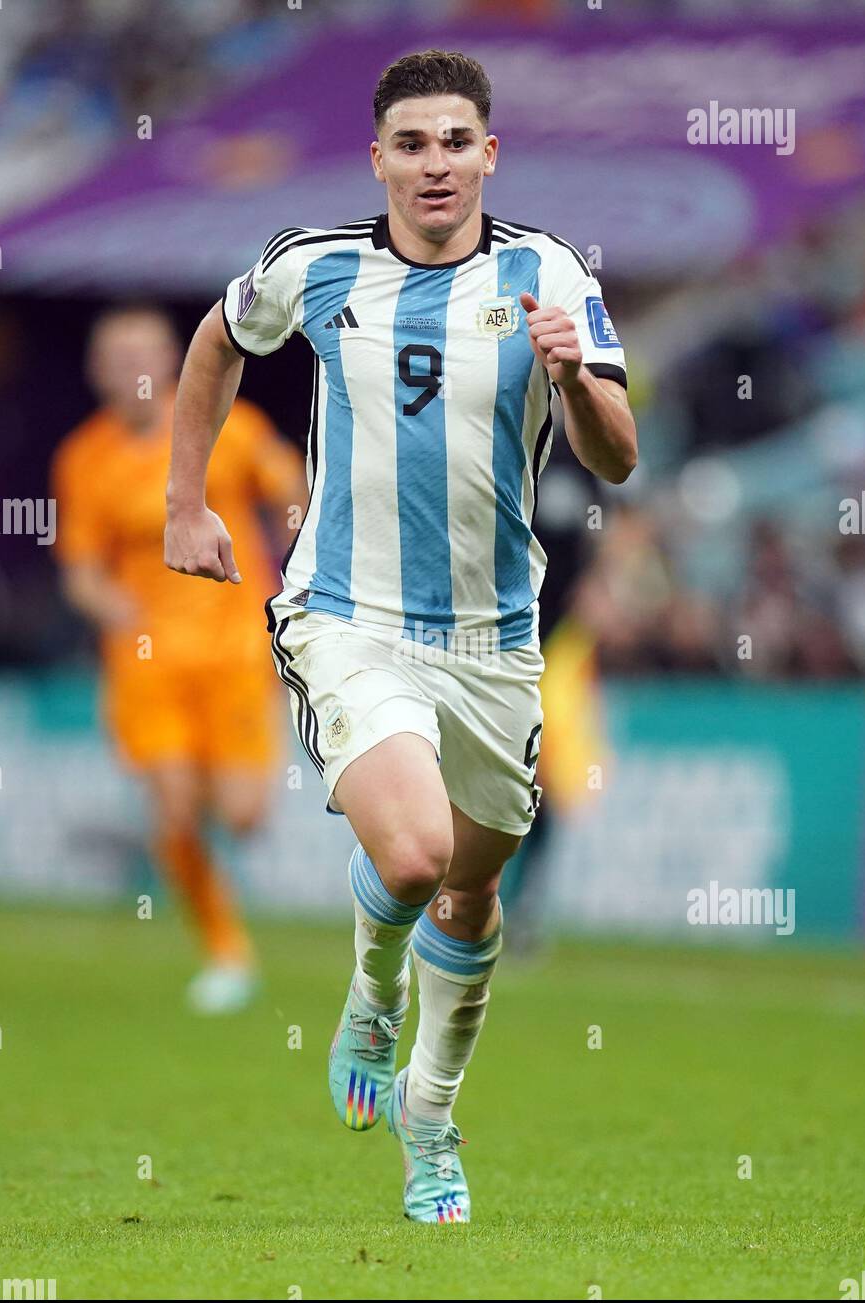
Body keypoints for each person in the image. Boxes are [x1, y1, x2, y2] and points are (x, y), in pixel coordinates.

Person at [164, 50, 637, 1222]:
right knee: (417, 856)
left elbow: (619, 457)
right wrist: (186, 498)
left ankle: (430, 1118)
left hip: (494, 643)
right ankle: (372, 995)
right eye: (413, 145)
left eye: (456, 142)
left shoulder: (551, 273)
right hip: (348, 617)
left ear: (491, 154)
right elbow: (221, 340)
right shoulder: (317, 268)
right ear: (378, 158)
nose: (437, 165)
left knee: (473, 899)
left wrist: (575, 378)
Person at [52, 305, 305, 1013]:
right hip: (147, 663)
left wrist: (300, 558)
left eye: (145, 352)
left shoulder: (230, 427)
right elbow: (81, 568)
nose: (133, 367)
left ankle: (260, 744)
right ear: (95, 370)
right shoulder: (83, 457)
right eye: (116, 354)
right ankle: (226, 950)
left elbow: (294, 496)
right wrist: (113, 608)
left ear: (172, 360)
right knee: (173, 810)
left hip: (233, 652)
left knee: (244, 815)